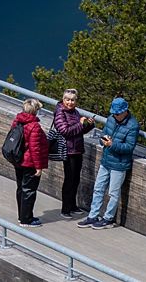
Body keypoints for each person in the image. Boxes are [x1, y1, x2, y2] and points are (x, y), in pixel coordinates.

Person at [80, 97, 140, 228]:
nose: (115, 115)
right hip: (106, 160)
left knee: (113, 192)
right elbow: (103, 135)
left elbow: (129, 147)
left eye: (117, 113)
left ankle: (108, 218)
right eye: (114, 113)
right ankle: (92, 216)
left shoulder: (133, 125)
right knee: (98, 188)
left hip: (119, 164)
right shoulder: (111, 119)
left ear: (125, 111)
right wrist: (104, 140)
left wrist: (112, 144)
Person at [51, 88, 95, 216]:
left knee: (76, 179)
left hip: (77, 149)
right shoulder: (60, 113)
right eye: (67, 100)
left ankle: (73, 205)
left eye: (72, 100)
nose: (70, 102)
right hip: (67, 150)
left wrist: (88, 125)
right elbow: (65, 131)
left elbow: (79, 131)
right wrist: (80, 124)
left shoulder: (75, 112)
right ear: (63, 99)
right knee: (69, 179)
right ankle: (65, 209)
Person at [9, 98, 51, 225]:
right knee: (29, 191)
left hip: (18, 160)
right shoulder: (34, 127)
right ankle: (26, 219)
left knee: (21, 188)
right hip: (30, 164)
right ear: (35, 111)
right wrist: (39, 168)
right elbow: (35, 149)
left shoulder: (17, 121)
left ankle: (21, 215)